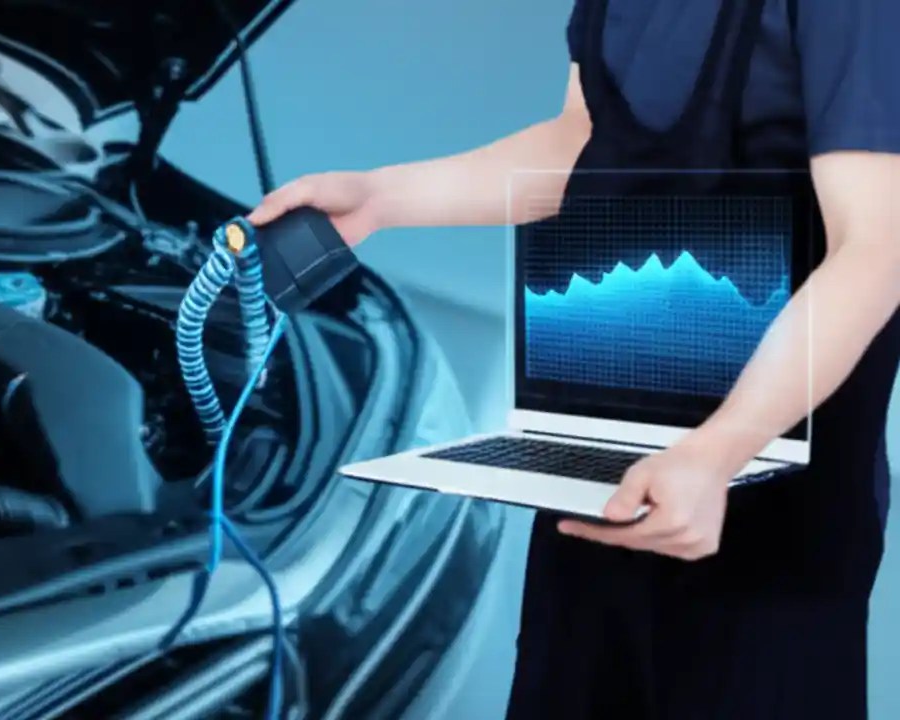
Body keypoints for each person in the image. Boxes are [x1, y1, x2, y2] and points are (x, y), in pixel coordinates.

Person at [248, 0, 899, 717]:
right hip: (597, 470)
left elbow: (877, 250)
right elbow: (581, 144)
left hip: (776, 511)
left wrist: (717, 450)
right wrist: (379, 198)